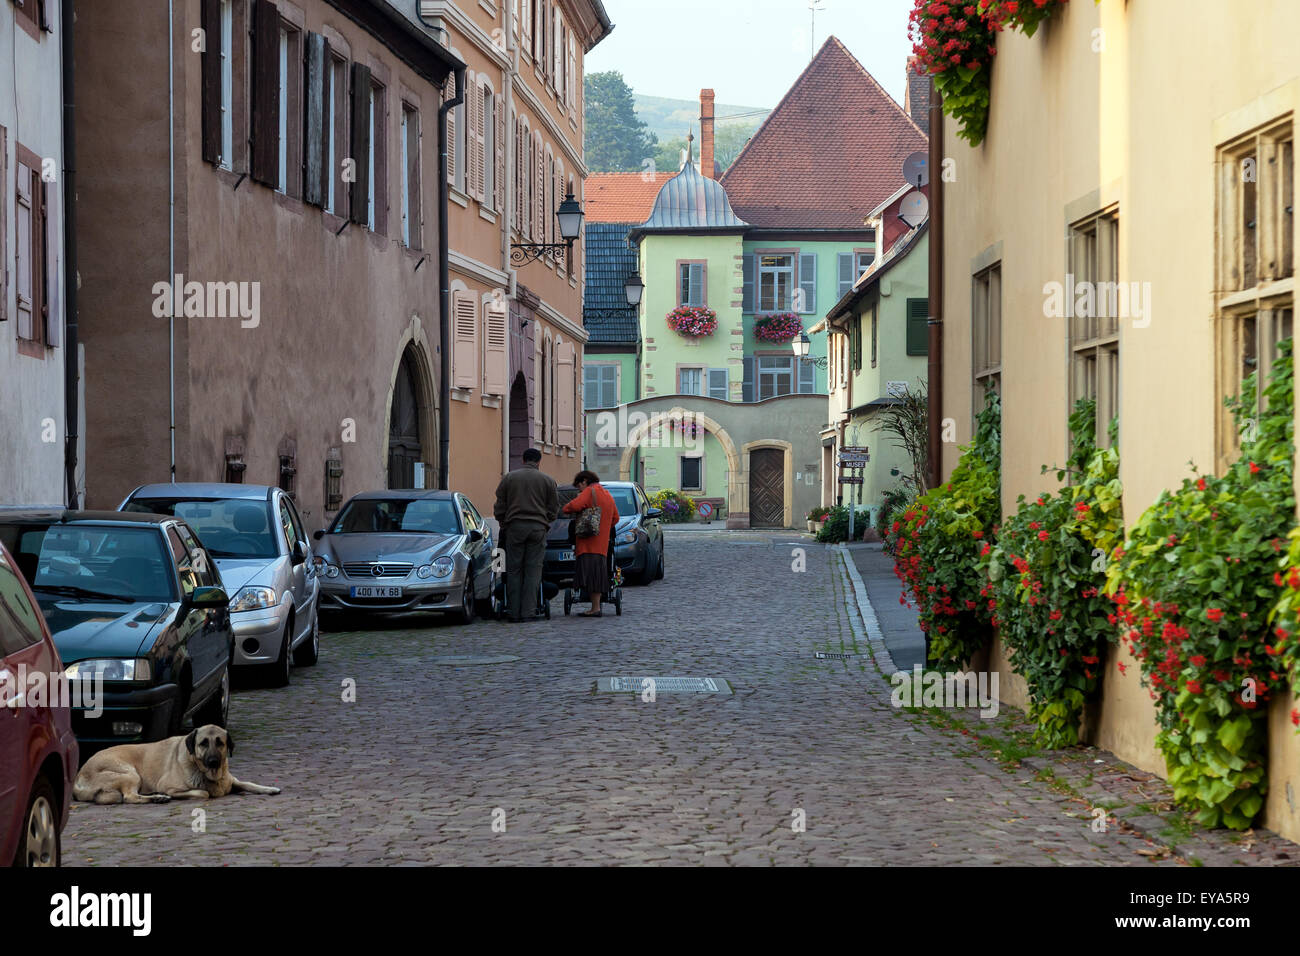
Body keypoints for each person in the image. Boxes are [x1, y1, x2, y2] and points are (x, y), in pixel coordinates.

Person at [493, 449, 559, 622]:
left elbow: (500, 504)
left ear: (523, 460)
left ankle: (513, 612)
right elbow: (554, 508)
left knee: (514, 570)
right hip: (538, 527)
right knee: (533, 570)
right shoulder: (548, 480)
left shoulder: (509, 478)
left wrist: (503, 521)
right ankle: (528, 611)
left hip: (514, 527)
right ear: (539, 462)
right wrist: (546, 521)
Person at [561, 470, 619, 617]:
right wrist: (604, 527)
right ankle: (596, 606)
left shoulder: (589, 492)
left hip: (588, 543)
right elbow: (616, 518)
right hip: (602, 544)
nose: (579, 489)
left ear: (584, 481)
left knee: (591, 576)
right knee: (598, 575)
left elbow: (571, 507)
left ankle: (595, 608)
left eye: (579, 486)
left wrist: (572, 505)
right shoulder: (607, 494)